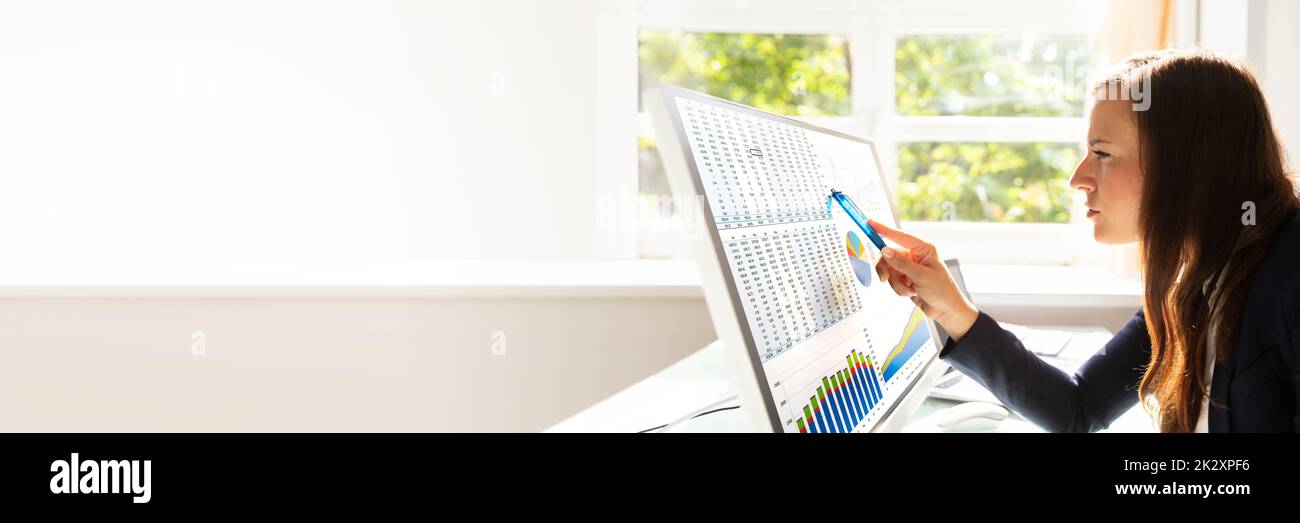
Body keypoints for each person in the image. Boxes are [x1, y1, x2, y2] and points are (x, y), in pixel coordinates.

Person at [870, 49, 1300, 432]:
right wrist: (952, 310)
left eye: (1103, 154)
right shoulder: (1191, 280)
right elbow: (1080, 408)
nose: (1078, 179)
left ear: (1185, 168)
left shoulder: (1288, 273)